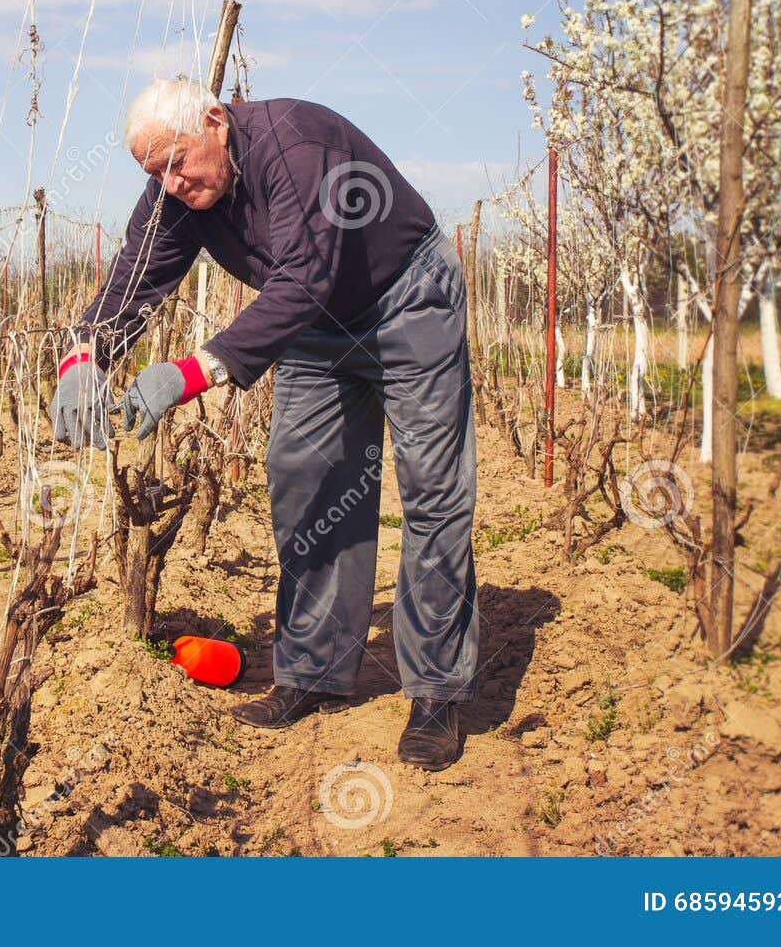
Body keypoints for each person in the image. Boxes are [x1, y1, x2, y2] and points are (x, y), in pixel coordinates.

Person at [52, 77, 478, 771]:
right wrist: (82, 357)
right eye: (153, 171)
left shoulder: (298, 146)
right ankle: (314, 670)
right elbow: (134, 277)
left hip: (406, 301)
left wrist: (190, 373)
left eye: (177, 161)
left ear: (216, 121)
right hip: (314, 328)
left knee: (432, 487)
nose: (170, 181)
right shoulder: (177, 191)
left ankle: (435, 691)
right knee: (304, 476)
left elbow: (305, 278)